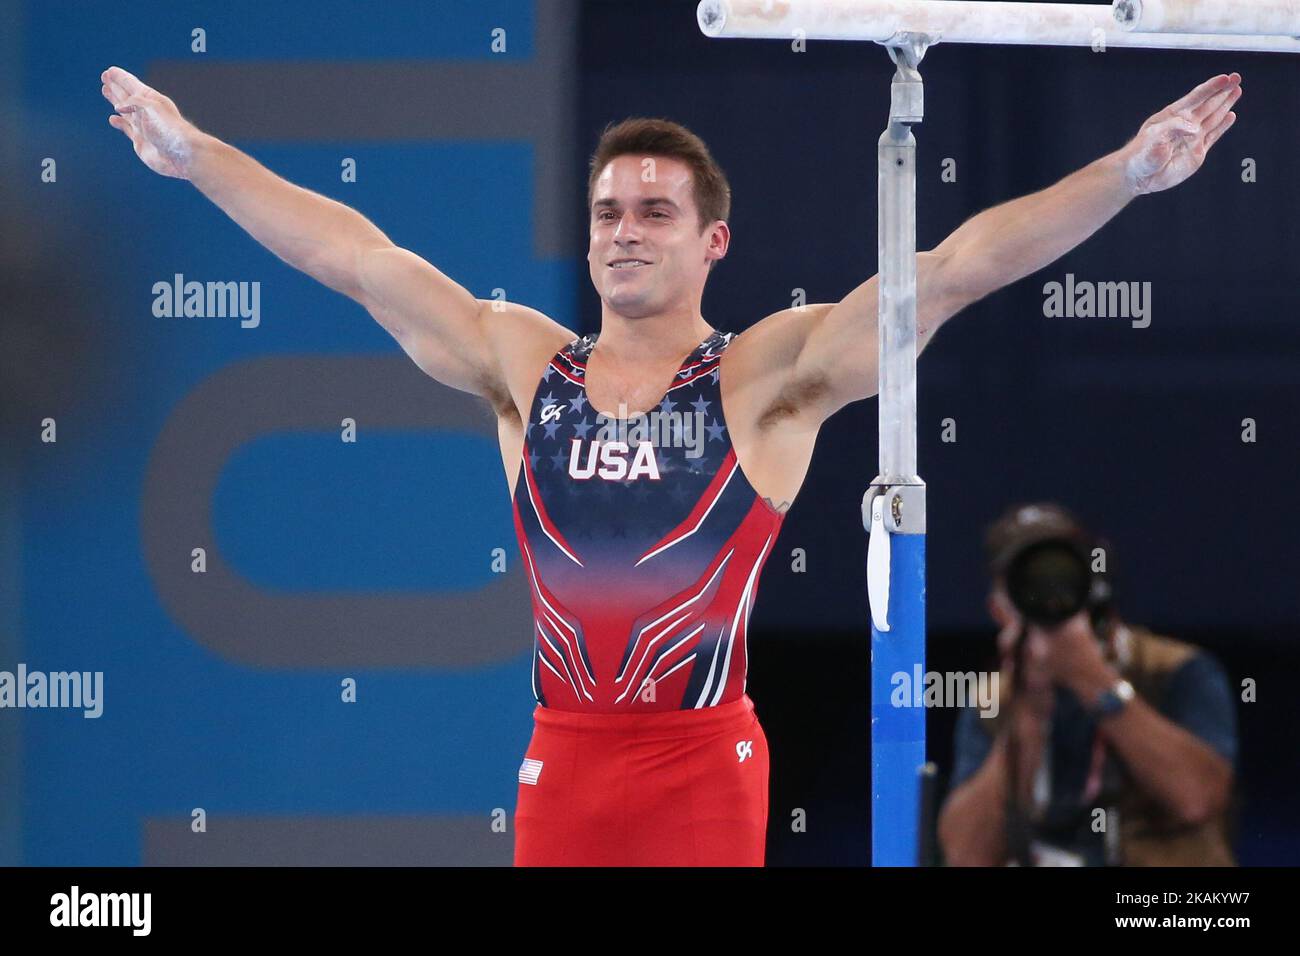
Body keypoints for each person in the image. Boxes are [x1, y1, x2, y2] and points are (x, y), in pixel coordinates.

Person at [101, 64, 1242, 866]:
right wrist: (199, 157)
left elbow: (947, 273)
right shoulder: (520, 364)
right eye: (606, 211)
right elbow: (355, 257)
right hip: (561, 756)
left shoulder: (763, 378)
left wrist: (1124, 175)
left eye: (655, 210)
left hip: (701, 761)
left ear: (713, 241)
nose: (624, 230)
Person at [938, 503, 1238, 866]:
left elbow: (1198, 800)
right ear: (999, 609)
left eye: (1063, 574)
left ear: (1096, 585)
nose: (1049, 595)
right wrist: (1026, 718)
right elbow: (966, 856)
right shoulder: (993, 699)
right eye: (1028, 583)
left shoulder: (1178, 670)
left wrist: (1095, 681)